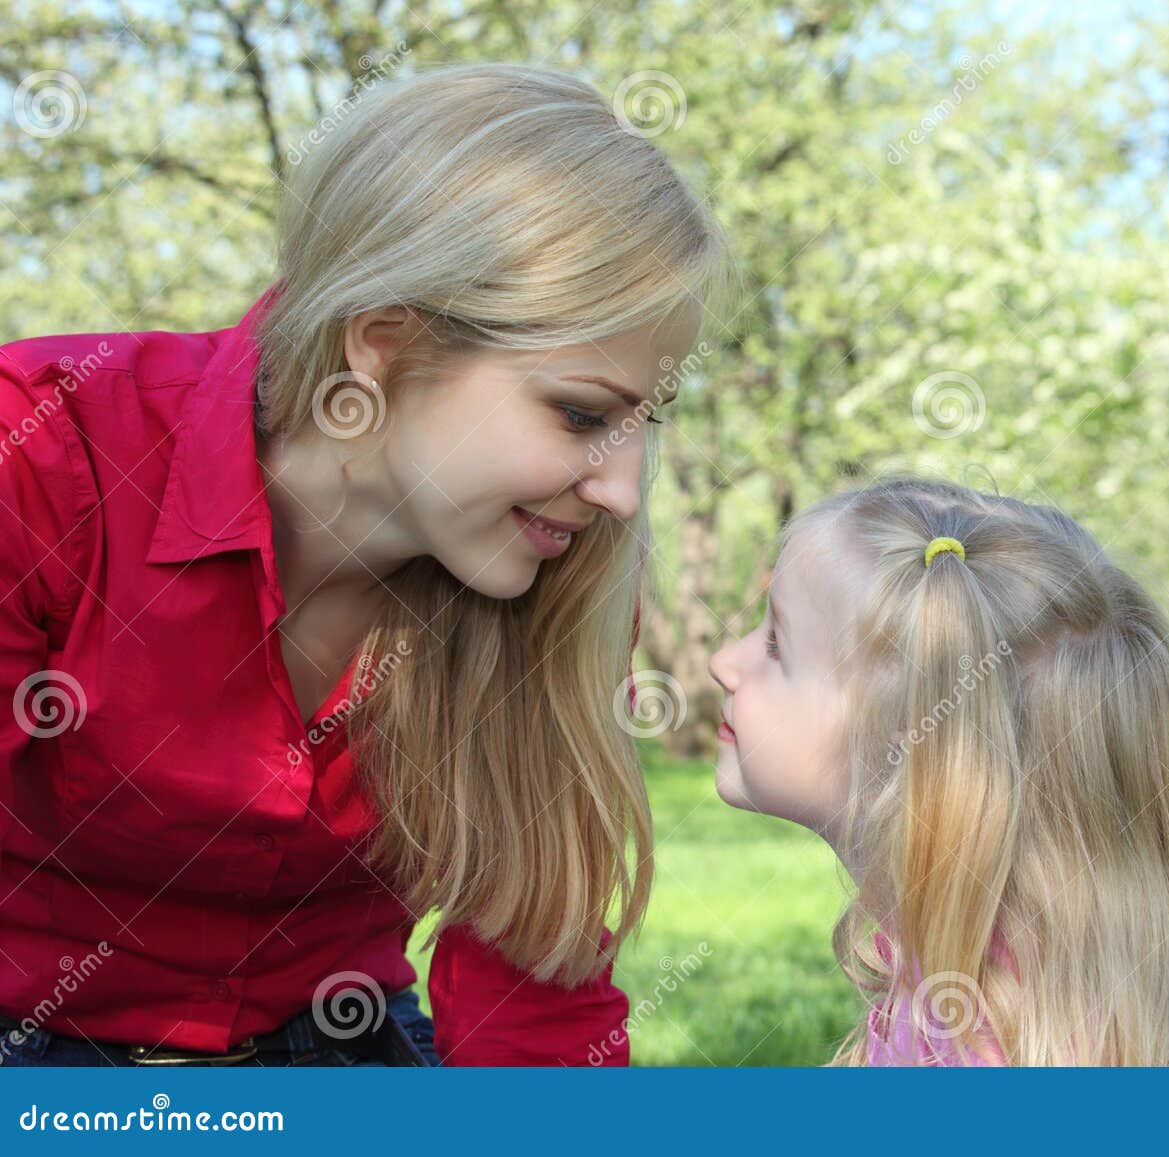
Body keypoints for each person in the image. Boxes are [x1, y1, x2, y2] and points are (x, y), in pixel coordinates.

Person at [0, 62, 727, 1066]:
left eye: (647, 417)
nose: (622, 491)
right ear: (383, 342)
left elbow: (533, 1004)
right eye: (581, 413)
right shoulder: (41, 458)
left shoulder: (559, 563)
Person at [708, 477, 1169, 1065]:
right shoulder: (1000, 989)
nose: (724, 662)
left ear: (919, 743)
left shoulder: (971, 1040)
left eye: (777, 645)